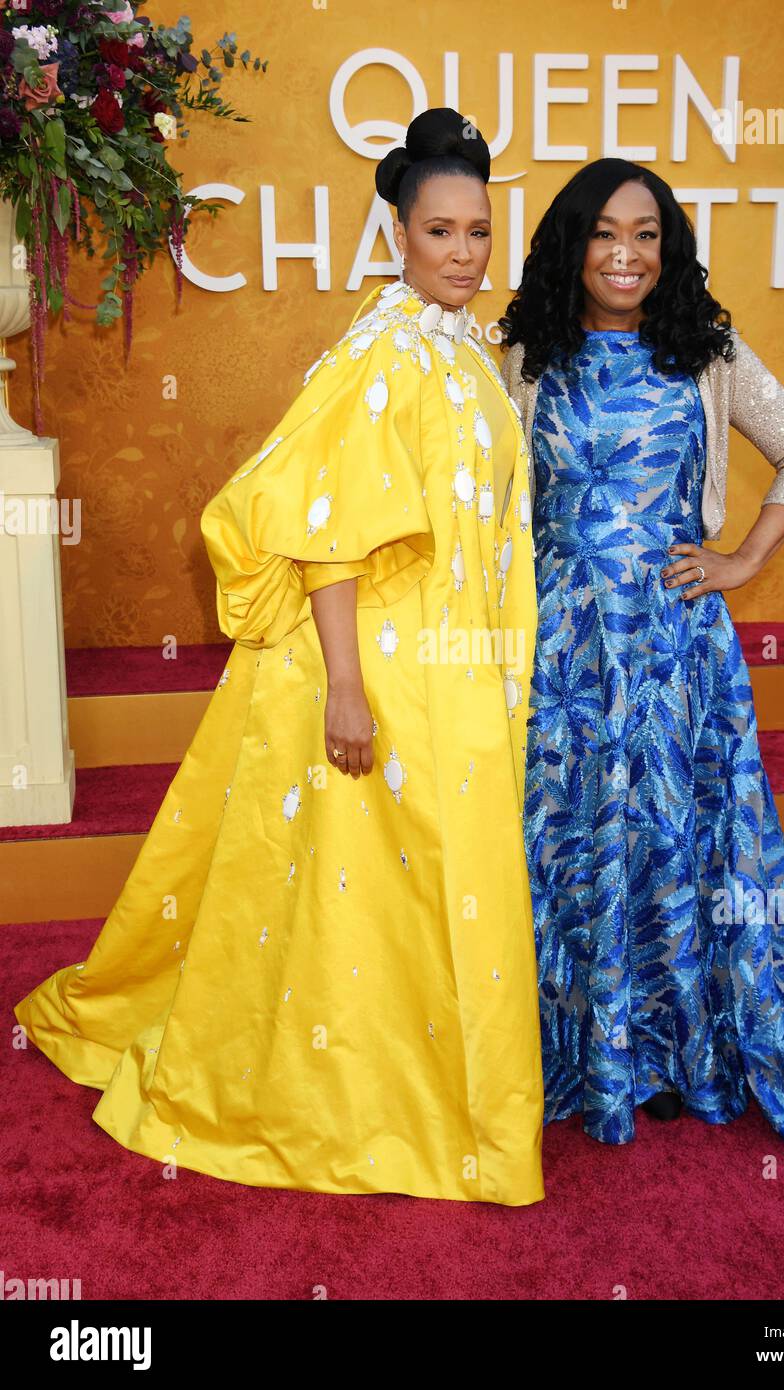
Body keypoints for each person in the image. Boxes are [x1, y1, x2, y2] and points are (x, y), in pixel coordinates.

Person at [14, 108, 545, 1204]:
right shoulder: (378, 356)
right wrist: (346, 688)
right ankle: (373, 1108)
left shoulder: (468, 353)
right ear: (397, 231)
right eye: (440, 231)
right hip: (383, 675)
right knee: (370, 892)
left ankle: (435, 1099)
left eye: (478, 232)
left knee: (416, 889)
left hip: (454, 670)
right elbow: (320, 523)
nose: (462, 252)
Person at [499, 158, 784, 1153]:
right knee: (570, 846)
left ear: (668, 247)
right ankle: (574, 1050)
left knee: (676, 843)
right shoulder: (519, 353)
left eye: (645, 234)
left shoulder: (705, 348)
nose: (625, 254)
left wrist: (738, 560)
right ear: (571, 243)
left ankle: (676, 1048)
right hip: (561, 650)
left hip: (677, 650)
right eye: (603, 233)